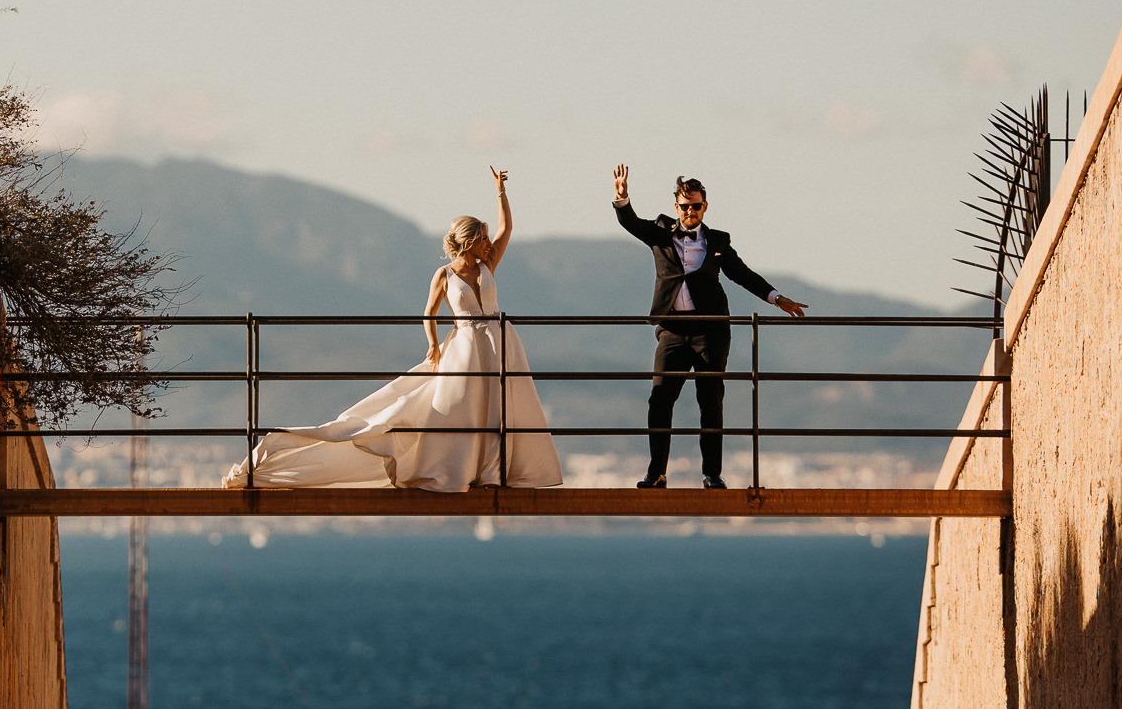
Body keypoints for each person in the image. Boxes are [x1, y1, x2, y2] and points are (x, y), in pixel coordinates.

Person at [226, 167, 563, 490]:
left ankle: (493, 471)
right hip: (464, 345)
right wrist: (432, 343)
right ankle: (457, 467)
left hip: (500, 341)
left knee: (500, 404)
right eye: (482, 238)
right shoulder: (443, 275)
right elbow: (429, 313)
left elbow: (507, 229)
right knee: (463, 405)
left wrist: (501, 193)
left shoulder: (488, 264)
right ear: (469, 241)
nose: (489, 242)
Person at [611, 166, 807, 489]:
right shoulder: (660, 232)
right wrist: (622, 196)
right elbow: (630, 223)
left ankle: (711, 474)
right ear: (676, 207)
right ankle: (656, 472)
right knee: (660, 399)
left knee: (710, 400)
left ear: (705, 207)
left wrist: (776, 298)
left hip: (711, 332)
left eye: (696, 206)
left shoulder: (717, 242)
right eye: (685, 206)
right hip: (673, 331)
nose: (691, 211)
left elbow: (742, 274)